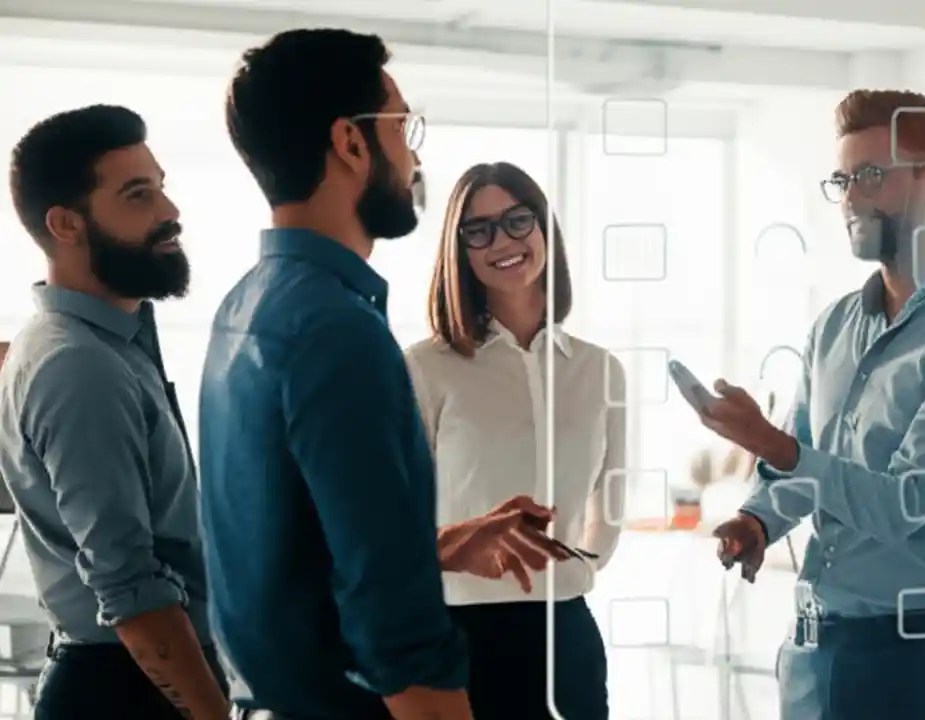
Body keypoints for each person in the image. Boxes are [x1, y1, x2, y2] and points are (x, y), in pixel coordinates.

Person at [199, 29, 565, 720]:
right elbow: (391, 624)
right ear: (351, 141)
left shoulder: (243, 309)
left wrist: (440, 548)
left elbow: (291, 555)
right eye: (402, 124)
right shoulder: (336, 330)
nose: (413, 152)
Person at [703, 89, 925, 719]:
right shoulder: (831, 328)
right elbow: (804, 470)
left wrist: (773, 445)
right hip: (814, 651)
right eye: (842, 179)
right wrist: (757, 522)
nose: (852, 197)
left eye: (871, 176)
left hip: (920, 662)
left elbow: (907, 501)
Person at [0, 105, 228, 720]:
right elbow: (130, 588)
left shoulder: (105, 346)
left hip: (133, 682)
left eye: (160, 186)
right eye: (138, 194)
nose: (169, 211)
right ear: (66, 224)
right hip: (123, 691)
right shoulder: (78, 366)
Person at [403, 162, 623, 719]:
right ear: (461, 251)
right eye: (478, 230)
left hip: (568, 633)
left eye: (517, 220)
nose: (502, 241)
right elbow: (396, 516)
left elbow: (612, 500)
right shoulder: (425, 368)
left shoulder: (600, 369)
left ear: (545, 229)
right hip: (463, 634)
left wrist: (578, 568)